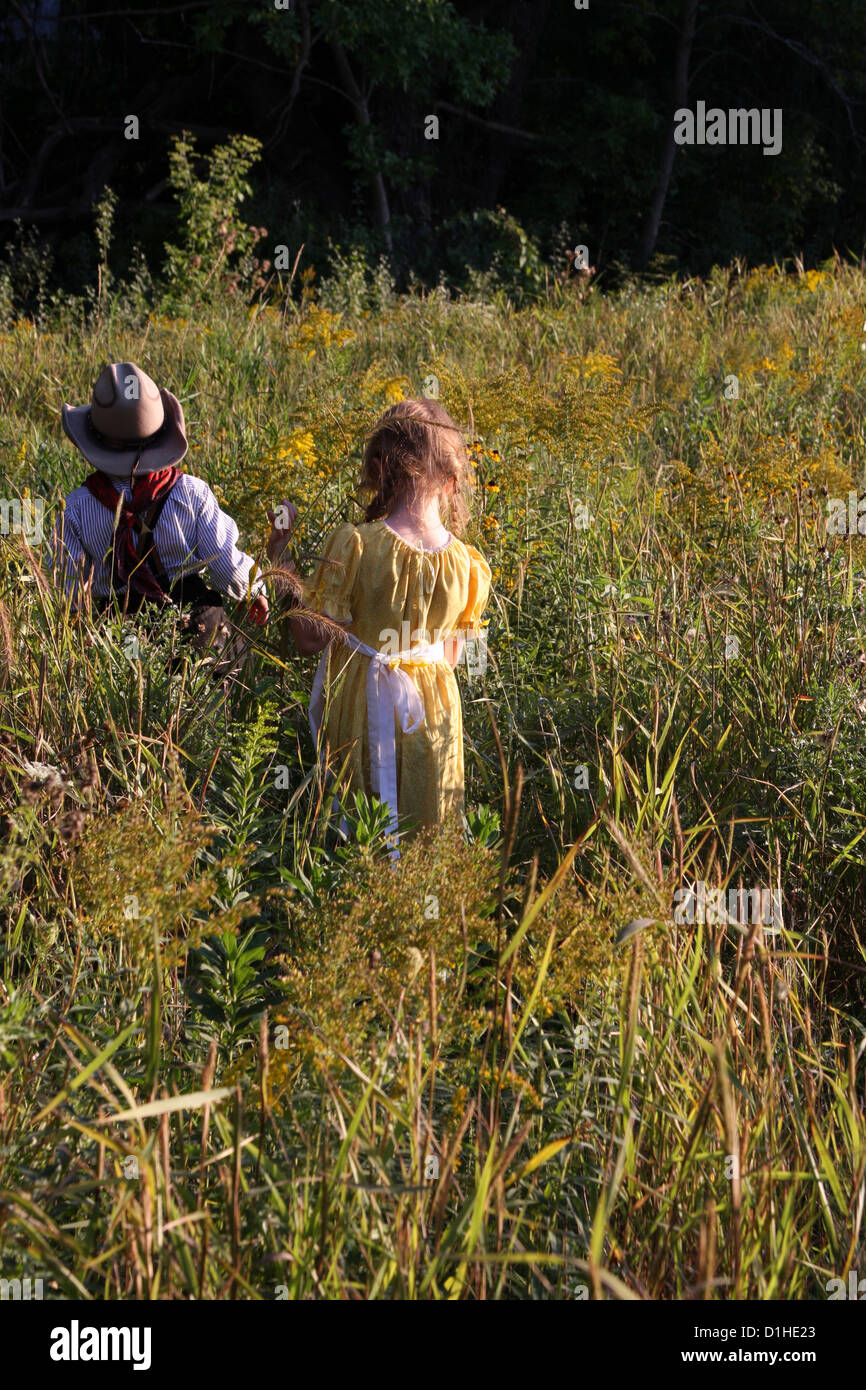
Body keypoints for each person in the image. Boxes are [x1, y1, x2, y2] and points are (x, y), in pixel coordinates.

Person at [266, 399, 492, 855]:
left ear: (379, 469)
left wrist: (280, 557)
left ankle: (362, 911)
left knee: (363, 833)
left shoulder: (357, 546)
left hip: (365, 713)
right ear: (450, 481)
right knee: (429, 832)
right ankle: (425, 913)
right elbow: (451, 657)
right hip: (435, 720)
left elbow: (308, 638)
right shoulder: (467, 567)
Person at [49, 361, 268, 653]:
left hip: (118, 637)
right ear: (160, 431)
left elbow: (70, 593)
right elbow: (225, 565)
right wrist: (255, 591)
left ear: (94, 441)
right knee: (214, 691)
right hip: (196, 625)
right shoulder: (191, 493)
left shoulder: (75, 509)